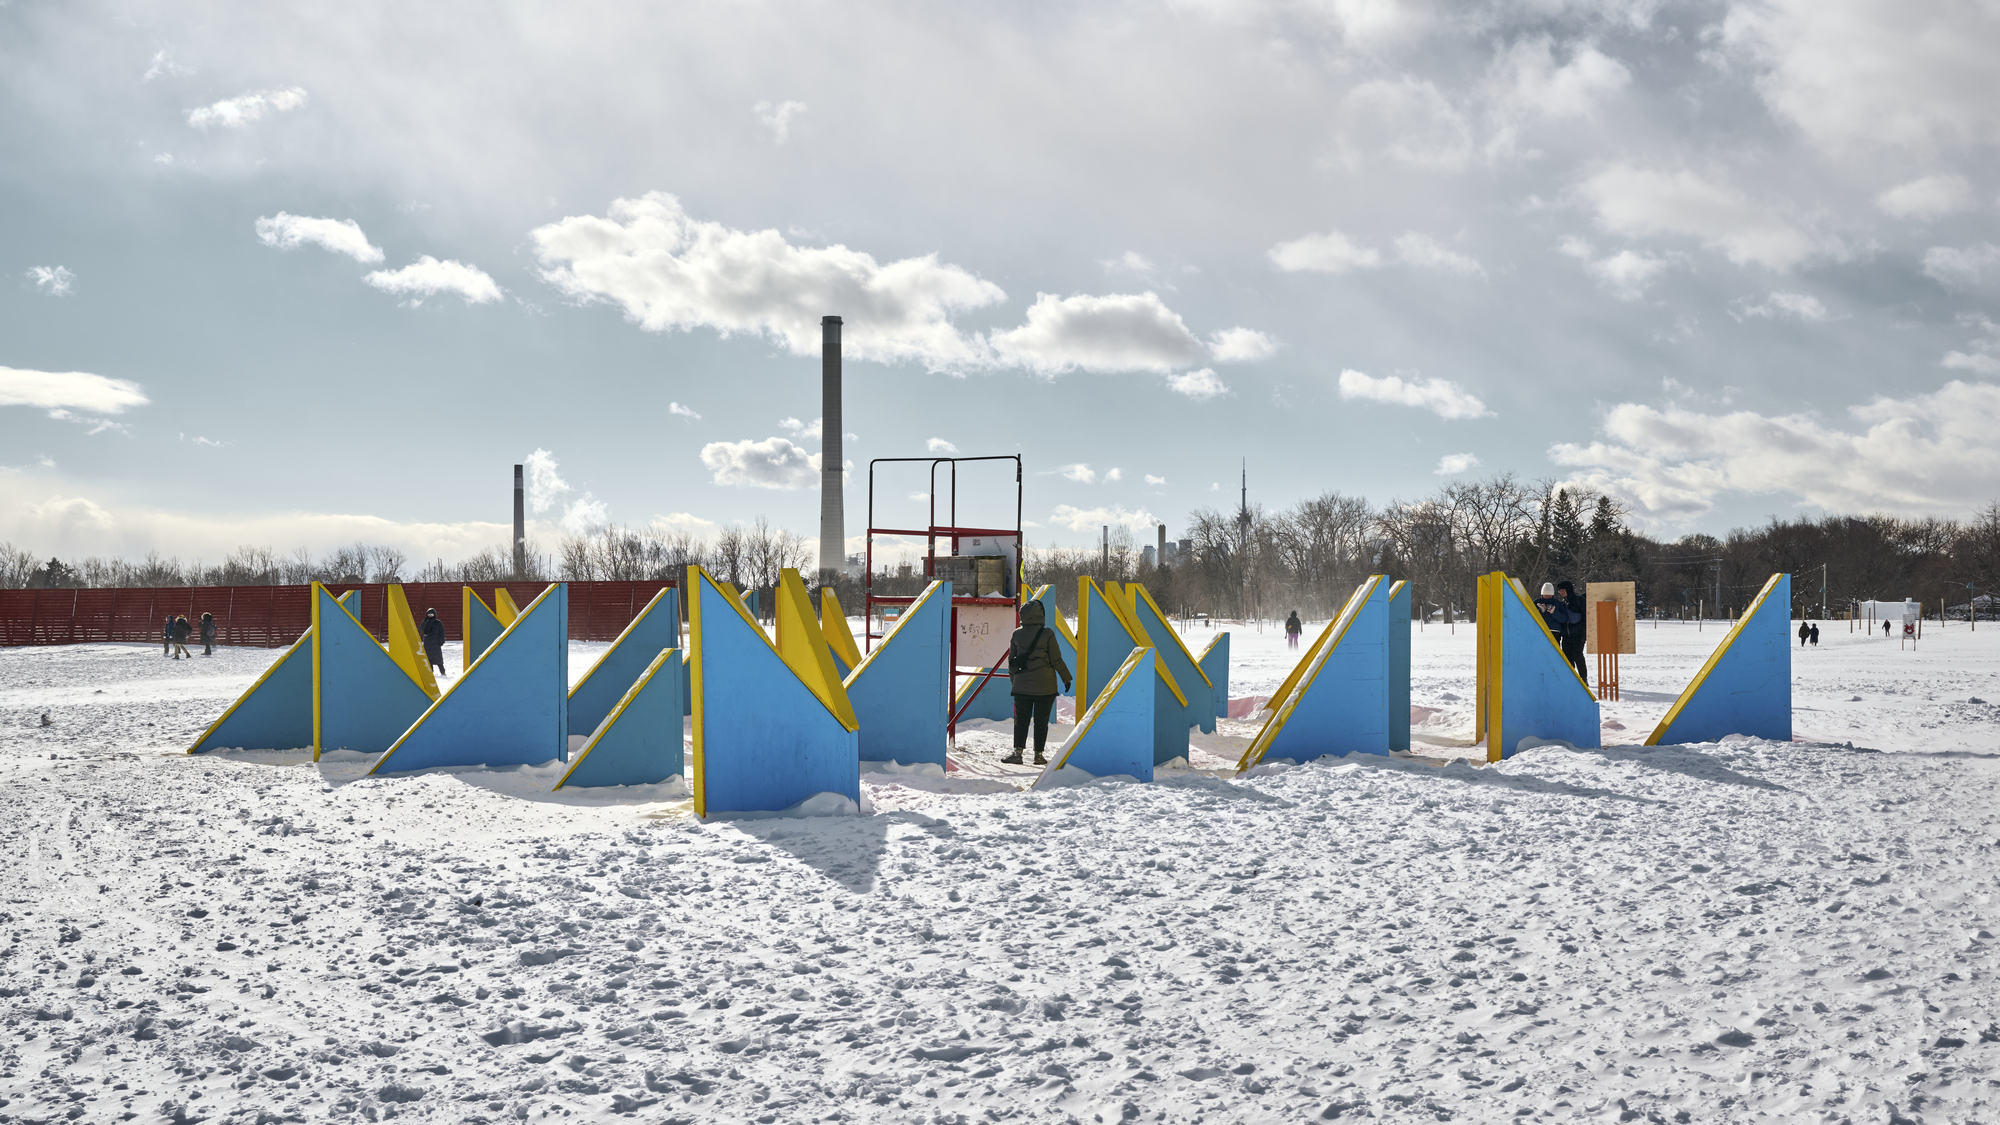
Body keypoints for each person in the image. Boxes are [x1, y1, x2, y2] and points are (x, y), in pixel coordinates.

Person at [1003, 599, 1072, 767]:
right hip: (1045, 687)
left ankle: (1017, 754)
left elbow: (1012, 662)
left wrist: (1015, 682)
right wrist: (1066, 677)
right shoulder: (1047, 633)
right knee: (1041, 722)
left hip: (1022, 687)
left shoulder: (1016, 634)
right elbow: (1056, 659)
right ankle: (1038, 755)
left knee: (1021, 721)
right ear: (1041, 614)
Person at [421, 608, 447, 675]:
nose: (430, 616)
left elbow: (442, 632)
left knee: (439, 661)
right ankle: (430, 673)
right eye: (429, 614)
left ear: (434, 614)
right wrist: (425, 621)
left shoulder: (438, 623)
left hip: (436, 644)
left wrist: (441, 641)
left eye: (431, 614)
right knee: (429, 660)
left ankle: (443, 672)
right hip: (427, 645)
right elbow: (421, 629)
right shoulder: (426, 622)